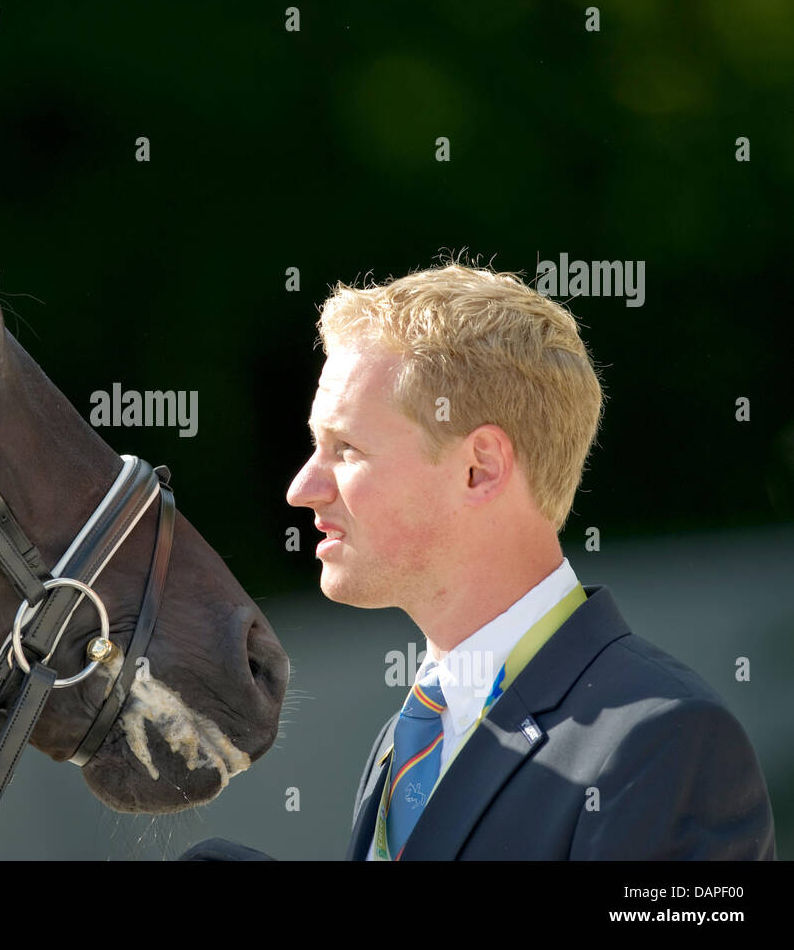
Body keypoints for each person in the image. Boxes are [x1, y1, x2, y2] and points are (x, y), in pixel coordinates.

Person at [180, 261, 775, 860]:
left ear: (480, 468)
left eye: (347, 449)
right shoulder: (411, 735)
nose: (303, 487)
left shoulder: (666, 739)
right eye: (317, 445)